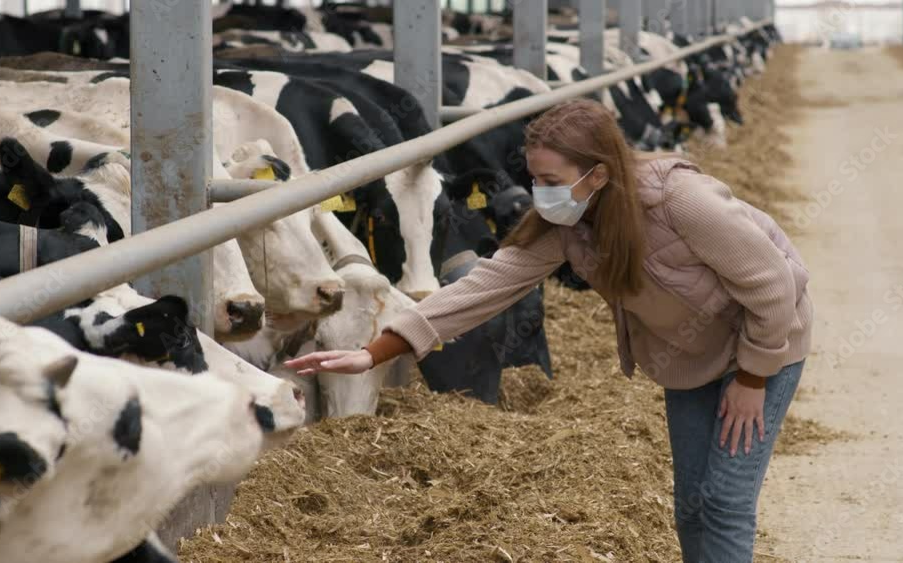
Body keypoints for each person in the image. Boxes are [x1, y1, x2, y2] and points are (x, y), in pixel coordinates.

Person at [285, 98, 813, 562]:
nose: (540, 194)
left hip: (766, 343)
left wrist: (753, 378)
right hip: (688, 355)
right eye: (535, 179)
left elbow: (772, 285)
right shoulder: (570, 226)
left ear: (598, 175)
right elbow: (484, 287)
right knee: (692, 505)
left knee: (724, 500)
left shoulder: (681, 201)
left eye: (553, 182)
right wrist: (374, 352)